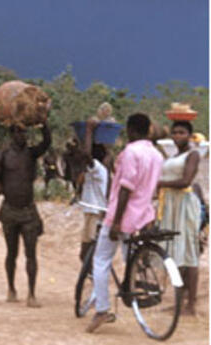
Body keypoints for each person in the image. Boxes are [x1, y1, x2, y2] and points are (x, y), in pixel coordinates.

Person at [86, 114, 163, 333]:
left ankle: (102, 309)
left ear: (129, 130)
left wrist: (117, 221)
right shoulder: (156, 155)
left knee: (101, 261)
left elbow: (126, 189)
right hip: (143, 215)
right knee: (129, 255)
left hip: (123, 215)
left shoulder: (131, 152)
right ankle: (131, 288)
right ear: (148, 130)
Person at [0, 122, 51, 308]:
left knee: (31, 254)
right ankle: (11, 289)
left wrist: (43, 124)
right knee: (11, 253)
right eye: (19, 132)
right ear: (12, 134)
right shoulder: (3, 156)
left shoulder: (31, 154)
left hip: (28, 211)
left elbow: (47, 142)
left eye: (24, 132)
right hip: (9, 211)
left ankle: (31, 293)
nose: (22, 135)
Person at [157, 120, 202, 316]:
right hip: (170, 204)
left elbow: (186, 180)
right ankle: (180, 301)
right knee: (176, 252)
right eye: (174, 132)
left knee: (189, 253)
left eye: (182, 132)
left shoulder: (193, 155)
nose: (177, 136)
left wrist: (160, 183)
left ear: (189, 135)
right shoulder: (175, 155)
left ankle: (191, 304)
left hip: (184, 204)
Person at [75, 120, 109, 261]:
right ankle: (92, 276)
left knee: (88, 253)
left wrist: (88, 131)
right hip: (91, 211)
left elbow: (86, 155)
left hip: (96, 212)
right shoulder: (92, 171)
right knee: (85, 253)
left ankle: (95, 277)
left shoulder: (99, 169)